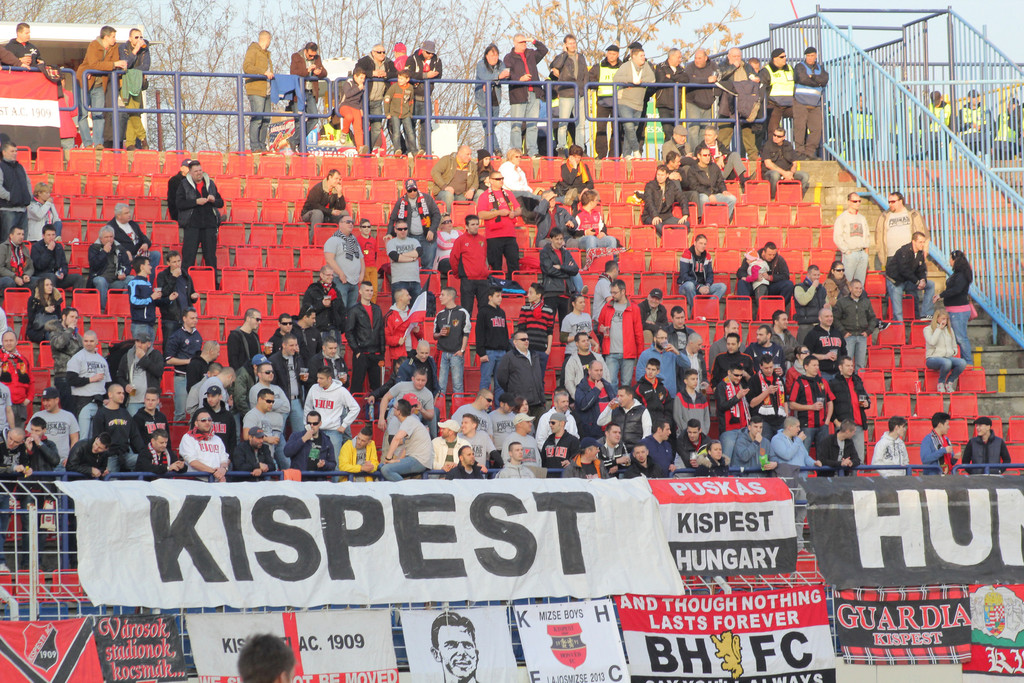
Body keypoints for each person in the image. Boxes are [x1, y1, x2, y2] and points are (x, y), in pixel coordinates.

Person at [76, 27, 126, 149]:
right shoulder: (93, 45)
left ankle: (98, 143)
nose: (115, 39)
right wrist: (113, 65)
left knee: (98, 113)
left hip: (99, 84)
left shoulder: (114, 47)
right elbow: (94, 64)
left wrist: (116, 65)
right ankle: (87, 143)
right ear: (106, 37)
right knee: (83, 113)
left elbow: (113, 63)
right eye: (113, 36)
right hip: (84, 82)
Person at [503, 35, 548, 156]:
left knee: (532, 124)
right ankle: (516, 152)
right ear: (515, 43)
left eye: (525, 41)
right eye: (521, 42)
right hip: (518, 93)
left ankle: (533, 151)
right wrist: (519, 79)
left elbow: (544, 50)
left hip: (534, 92)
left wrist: (532, 40)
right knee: (516, 125)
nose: (524, 44)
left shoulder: (531, 54)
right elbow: (507, 74)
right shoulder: (508, 58)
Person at [176, 161, 224, 274]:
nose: (199, 173)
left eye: (200, 170)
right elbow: (179, 204)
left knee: (210, 258)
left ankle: (213, 284)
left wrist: (214, 200)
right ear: (191, 173)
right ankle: (186, 285)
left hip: (209, 225)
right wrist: (195, 202)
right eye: (196, 171)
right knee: (189, 257)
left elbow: (220, 203)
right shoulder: (183, 184)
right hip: (192, 225)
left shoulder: (210, 184)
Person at [596, 280, 644, 388]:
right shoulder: (607, 306)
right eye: (611, 292)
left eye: (615, 292)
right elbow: (600, 325)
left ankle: (623, 405)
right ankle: (613, 405)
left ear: (623, 291)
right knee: (611, 383)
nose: (612, 295)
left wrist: (640, 354)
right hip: (611, 352)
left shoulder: (634, 308)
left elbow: (638, 333)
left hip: (628, 353)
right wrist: (601, 329)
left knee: (626, 385)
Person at [304, 367, 359, 455]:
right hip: (316, 431)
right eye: (317, 378)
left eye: (321, 378)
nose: (318, 380)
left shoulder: (341, 391)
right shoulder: (314, 388)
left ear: (329, 379)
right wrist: (307, 425)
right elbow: (308, 407)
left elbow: (355, 408)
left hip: (333, 431)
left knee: (334, 462)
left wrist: (344, 425)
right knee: (314, 460)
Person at [500, 149, 552, 241]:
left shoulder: (520, 170)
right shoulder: (505, 167)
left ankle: (548, 199)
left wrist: (531, 192)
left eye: (520, 157)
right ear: (510, 157)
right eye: (516, 157)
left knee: (534, 194)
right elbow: (510, 185)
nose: (519, 159)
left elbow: (525, 185)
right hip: (508, 193)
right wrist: (528, 192)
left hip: (521, 192)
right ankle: (548, 199)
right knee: (527, 194)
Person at [613, 47, 655, 158]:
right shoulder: (626, 66)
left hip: (638, 104)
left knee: (632, 130)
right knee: (629, 127)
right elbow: (616, 78)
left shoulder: (646, 66)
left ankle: (626, 154)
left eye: (644, 55)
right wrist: (632, 80)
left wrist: (640, 82)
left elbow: (652, 79)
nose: (643, 58)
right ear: (634, 57)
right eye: (641, 56)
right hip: (624, 101)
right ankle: (636, 151)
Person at [828, 356, 871, 463]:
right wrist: (835, 421)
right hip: (843, 426)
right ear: (840, 367)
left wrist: (867, 403)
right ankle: (843, 480)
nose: (851, 368)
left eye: (852, 365)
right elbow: (829, 405)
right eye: (848, 365)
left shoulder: (857, 380)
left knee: (858, 458)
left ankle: (857, 480)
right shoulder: (833, 383)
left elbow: (866, 398)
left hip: (858, 425)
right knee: (842, 457)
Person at [787, 356, 833, 455]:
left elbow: (830, 402)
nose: (817, 367)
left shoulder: (823, 382)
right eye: (814, 365)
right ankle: (803, 471)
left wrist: (827, 421)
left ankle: (823, 471)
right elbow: (791, 405)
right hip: (806, 425)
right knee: (803, 453)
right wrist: (811, 407)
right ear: (806, 366)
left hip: (823, 425)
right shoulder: (799, 383)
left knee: (824, 455)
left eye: (818, 365)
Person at [355, 44, 397, 151]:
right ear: (373, 52)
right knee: (361, 126)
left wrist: (386, 74)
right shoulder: (365, 61)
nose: (382, 54)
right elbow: (356, 71)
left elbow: (396, 73)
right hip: (364, 99)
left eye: (384, 52)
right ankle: (361, 148)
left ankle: (368, 149)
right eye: (379, 52)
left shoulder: (388, 63)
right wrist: (372, 73)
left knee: (377, 127)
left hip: (378, 100)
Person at [885, 231, 935, 321]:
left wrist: (923, 279)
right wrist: (917, 281)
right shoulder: (904, 251)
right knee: (898, 311)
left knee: (930, 285)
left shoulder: (920, 253)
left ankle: (925, 314)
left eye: (924, 242)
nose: (923, 244)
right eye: (920, 242)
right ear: (913, 242)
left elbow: (922, 269)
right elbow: (904, 270)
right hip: (895, 281)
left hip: (908, 281)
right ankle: (899, 328)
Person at [164, 308, 203, 421]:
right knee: (180, 413)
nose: (195, 320)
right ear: (184, 319)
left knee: (195, 414)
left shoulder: (198, 336)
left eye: (196, 318)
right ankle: (177, 437)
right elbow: (169, 359)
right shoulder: (176, 336)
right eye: (192, 318)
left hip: (195, 378)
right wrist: (189, 361)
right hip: (181, 377)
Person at [380, 399, 433, 480]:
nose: (392, 409)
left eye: (394, 407)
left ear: (399, 412)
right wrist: (397, 460)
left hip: (419, 461)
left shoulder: (409, 421)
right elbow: (405, 446)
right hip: (415, 459)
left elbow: (396, 439)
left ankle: (405, 490)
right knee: (381, 466)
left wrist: (388, 459)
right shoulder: (409, 421)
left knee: (386, 469)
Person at [346, 281, 385, 393]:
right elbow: (349, 332)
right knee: (357, 386)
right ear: (360, 291)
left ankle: (375, 410)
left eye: (371, 290)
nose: (369, 293)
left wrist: (382, 353)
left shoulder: (377, 309)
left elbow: (381, 331)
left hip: (376, 354)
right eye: (367, 290)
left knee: (377, 388)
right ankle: (355, 409)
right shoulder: (354, 310)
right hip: (361, 353)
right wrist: (357, 350)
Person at [496, 331, 545, 418]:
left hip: (538, 402)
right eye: (523, 339)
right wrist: (514, 393)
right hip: (520, 404)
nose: (526, 341)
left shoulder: (535, 355)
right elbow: (501, 378)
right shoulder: (508, 357)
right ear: (515, 342)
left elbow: (539, 376)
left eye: (527, 339)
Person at [449, 214, 490, 316]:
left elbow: (484, 257)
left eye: (477, 224)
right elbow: (453, 258)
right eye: (472, 224)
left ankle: (482, 332)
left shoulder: (483, 239)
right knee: (466, 310)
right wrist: (458, 274)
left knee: (484, 310)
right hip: (468, 280)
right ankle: (466, 332)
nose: (475, 226)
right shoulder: (461, 240)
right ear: (466, 226)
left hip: (483, 280)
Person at [155, 250, 199, 344]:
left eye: (179, 261)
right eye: (174, 262)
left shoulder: (186, 276)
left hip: (185, 318)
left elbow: (191, 294)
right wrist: (174, 277)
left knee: (185, 346)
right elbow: (163, 293)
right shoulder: (162, 276)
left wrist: (193, 297)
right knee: (169, 345)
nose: (177, 264)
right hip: (170, 317)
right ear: (168, 263)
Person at [792, 47, 829, 157]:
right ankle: (799, 152)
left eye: (812, 55)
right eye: (808, 56)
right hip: (800, 102)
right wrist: (817, 82)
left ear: (816, 56)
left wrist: (812, 77)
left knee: (816, 129)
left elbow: (825, 79)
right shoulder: (799, 66)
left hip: (815, 104)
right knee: (800, 128)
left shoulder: (820, 68)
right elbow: (802, 79)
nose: (810, 58)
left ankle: (809, 152)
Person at [434, 287, 471, 396]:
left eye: (442, 294)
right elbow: (434, 335)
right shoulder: (440, 314)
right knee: (440, 385)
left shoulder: (462, 312)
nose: (440, 297)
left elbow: (466, 333)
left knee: (457, 385)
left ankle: (459, 411)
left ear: (450, 297)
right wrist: (440, 334)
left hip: (456, 353)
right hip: (442, 353)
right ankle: (439, 411)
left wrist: (462, 350)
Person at [115, 332, 163, 415]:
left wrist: (143, 359)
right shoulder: (127, 356)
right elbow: (120, 376)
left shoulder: (155, 355)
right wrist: (125, 385)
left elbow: (158, 372)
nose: (139, 345)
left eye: (142, 342)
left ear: (149, 344)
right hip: (133, 401)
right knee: (135, 426)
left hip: (150, 400)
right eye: (137, 342)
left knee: (151, 426)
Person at [242, 31, 274, 152]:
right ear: (267, 39)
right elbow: (247, 67)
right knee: (257, 118)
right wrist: (263, 72)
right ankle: (255, 146)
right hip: (256, 89)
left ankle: (262, 145)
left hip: (267, 90)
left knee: (266, 119)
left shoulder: (267, 54)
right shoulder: (253, 50)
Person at [876, 191, 929, 265]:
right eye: (889, 202)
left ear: (900, 201)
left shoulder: (914, 214)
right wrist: (881, 256)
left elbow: (924, 235)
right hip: (891, 257)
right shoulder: (884, 217)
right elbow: (878, 238)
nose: (890, 204)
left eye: (893, 202)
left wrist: (924, 253)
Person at [409, 41, 444, 153]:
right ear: (422, 50)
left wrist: (429, 77)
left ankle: (425, 150)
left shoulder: (437, 61)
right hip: (413, 97)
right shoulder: (412, 59)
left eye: (432, 53)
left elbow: (439, 76)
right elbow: (408, 74)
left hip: (426, 98)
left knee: (426, 124)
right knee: (411, 124)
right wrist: (425, 76)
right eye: (428, 52)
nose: (430, 55)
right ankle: (412, 150)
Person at [322, 217, 364, 309]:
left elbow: (361, 258)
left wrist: (362, 273)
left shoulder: (354, 241)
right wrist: (341, 273)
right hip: (340, 281)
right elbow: (329, 259)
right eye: (348, 222)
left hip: (354, 282)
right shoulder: (333, 240)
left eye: (352, 222)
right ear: (340, 224)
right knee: (341, 309)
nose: (351, 224)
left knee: (352, 312)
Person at [476, 288, 511, 398]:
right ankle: (484, 407)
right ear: (490, 297)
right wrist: (481, 352)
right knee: (485, 381)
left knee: (500, 382)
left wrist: (507, 350)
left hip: (502, 352)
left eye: (501, 296)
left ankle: (499, 407)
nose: (500, 298)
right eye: (497, 296)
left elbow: (505, 332)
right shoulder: (483, 312)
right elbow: (479, 332)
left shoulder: (502, 312)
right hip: (489, 352)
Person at [474, 45, 508, 154]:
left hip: (495, 99)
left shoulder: (501, 63)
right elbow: (484, 76)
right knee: (487, 125)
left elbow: (506, 74)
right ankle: (496, 148)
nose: (495, 58)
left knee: (492, 125)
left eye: (496, 55)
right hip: (483, 100)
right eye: (492, 55)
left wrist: (491, 80)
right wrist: (498, 77)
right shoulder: (481, 64)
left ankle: (486, 150)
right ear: (486, 55)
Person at [941, 250, 974, 363]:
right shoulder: (957, 274)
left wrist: (941, 295)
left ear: (955, 260)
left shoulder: (961, 275)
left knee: (961, 337)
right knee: (956, 337)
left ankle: (968, 362)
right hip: (952, 310)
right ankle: (961, 361)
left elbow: (956, 290)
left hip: (958, 311)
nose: (949, 261)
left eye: (950, 258)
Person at [539, 230, 580, 321]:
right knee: (548, 324)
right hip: (551, 293)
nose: (559, 241)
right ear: (551, 239)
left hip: (566, 294)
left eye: (561, 239)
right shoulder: (545, 252)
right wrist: (566, 273)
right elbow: (549, 270)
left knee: (565, 327)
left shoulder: (566, 253)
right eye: (557, 239)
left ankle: (563, 336)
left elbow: (575, 269)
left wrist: (561, 267)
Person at [688, 147, 736, 222]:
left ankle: (722, 222)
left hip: (715, 193)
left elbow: (720, 181)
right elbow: (694, 186)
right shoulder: (693, 169)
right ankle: (705, 222)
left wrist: (724, 190)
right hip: (702, 194)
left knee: (732, 199)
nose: (707, 157)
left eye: (709, 155)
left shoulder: (714, 167)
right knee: (704, 199)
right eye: (705, 155)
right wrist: (709, 194)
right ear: (699, 156)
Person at [833, 193, 872, 283]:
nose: (857, 203)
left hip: (862, 252)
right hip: (850, 253)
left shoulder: (862, 218)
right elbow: (837, 237)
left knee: (860, 284)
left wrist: (866, 251)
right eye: (855, 201)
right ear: (849, 202)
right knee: (847, 282)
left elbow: (867, 235)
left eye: (859, 201)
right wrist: (847, 251)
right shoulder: (842, 218)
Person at [925, 310, 967, 392]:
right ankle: (941, 383)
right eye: (943, 319)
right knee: (946, 363)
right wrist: (939, 329)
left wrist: (954, 351)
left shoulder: (949, 329)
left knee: (962, 363)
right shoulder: (928, 329)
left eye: (946, 319)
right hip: (932, 358)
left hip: (948, 357)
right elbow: (932, 342)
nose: (945, 321)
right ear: (937, 319)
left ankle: (949, 382)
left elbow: (954, 345)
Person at [761, 128, 809, 199]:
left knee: (805, 176)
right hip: (770, 173)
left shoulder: (788, 145)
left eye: (779, 136)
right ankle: (772, 198)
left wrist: (791, 174)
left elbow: (794, 163)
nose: (776, 138)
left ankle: (796, 198)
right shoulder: (768, 145)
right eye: (774, 135)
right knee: (775, 175)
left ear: (783, 137)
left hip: (788, 173)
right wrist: (784, 173)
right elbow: (768, 164)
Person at [31, 224, 83, 291]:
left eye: (53, 235)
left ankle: (77, 300)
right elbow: (39, 266)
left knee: (78, 277)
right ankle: (53, 300)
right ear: (43, 236)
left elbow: (64, 264)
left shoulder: (59, 247)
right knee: (51, 277)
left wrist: (62, 273)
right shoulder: (36, 247)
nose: (51, 237)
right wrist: (49, 251)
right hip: (42, 277)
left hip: (57, 277)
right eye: (48, 235)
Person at [290, 41, 328, 128]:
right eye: (310, 55)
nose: (312, 57)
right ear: (305, 51)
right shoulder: (296, 56)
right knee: (299, 120)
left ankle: (294, 140)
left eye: (313, 56)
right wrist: (307, 71)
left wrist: (319, 72)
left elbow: (325, 72)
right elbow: (293, 73)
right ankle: (297, 140)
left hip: (311, 92)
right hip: (299, 92)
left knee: (314, 118)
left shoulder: (317, 58)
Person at [386, 218, 425, 300]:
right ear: (395, 230)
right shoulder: (391, 242)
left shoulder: (414, 241)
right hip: (399, 281)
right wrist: (412, 258)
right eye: (400, 229)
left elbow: (419, 252)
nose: (403, 231)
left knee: (415, 310)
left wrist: (401, 255)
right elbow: (394, 256)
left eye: (405, 229)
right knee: (399, 309)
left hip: (415, 280)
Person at [38, 387, 78, 466]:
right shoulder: (37, 416)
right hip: (42, 462)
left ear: (57, 400)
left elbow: (75, 439)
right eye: (44, 400)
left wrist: (71, 458)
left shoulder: (69, 416)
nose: (45, 403)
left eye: (48, 400)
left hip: (62, 462)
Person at [641, 165, 687, 235]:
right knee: (659, 226)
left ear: (667, 175)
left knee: (686, 224)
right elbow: (649, 202)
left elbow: (682, 197)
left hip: (666, 216)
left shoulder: (671, 185)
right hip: (650, 216)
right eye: (658, 174)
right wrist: (655, 216)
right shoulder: (650, 186)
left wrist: (685, 214)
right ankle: (669, 240)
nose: (659, 177)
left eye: (662, 175)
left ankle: (674, 239)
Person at [431, 145, 479, 211]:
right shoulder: (447, 160)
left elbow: (475, 182)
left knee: (480, 193)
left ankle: (472, 217)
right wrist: (445, 187)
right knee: (448, 195)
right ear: (459, 153)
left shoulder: (472, 166)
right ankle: (446, 218)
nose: (470, 157)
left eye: (470, 154)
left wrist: (472, 190)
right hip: (443, 192)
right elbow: (435, 172)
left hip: (462, 195)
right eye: (467, 154)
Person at [804, 307, 846, 381]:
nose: (830, 319)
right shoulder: (812, 334)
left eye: (831, 316)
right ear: (820, 318)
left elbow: (844, 352)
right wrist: (825, 356)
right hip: (821, 373)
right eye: (826, 316)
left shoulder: (838, 333)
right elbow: (807, 354)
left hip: (837, 373)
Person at [26, 277, 63, 343]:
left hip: (53, 328)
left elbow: (59, 316)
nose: (50, 287)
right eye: (47, 285)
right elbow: (31, 318)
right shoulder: (33, 299)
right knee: (49, 334)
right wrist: (43, 310)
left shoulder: (55, 299)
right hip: (36, 329)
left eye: (51, 285)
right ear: (41, 287)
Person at [0, 225, 33, 292]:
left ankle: (29, 302)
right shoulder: (3, 247)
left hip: (21, 277)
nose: (21, 237)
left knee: (39, 282)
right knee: (9, 282)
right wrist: (14, 277)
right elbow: (0, 268)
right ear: (11, 235)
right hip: (6, 277)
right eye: (18, 234)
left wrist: (26, 275)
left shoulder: (25, 249)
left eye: (23, 234)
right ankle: (9, 302)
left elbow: (31, 267)